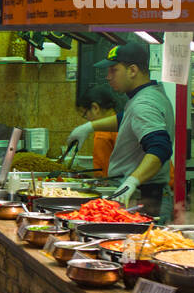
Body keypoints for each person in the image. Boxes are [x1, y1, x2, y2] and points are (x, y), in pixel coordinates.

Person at [66, 41, 173, 221]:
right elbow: (126, 120)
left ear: (132, 70)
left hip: (143, 196)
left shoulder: (143, 104)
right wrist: (89, 127)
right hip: (146, 193)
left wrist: (133, 181)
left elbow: (160, 148)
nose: (108, 76)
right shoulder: (149, 94)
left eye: (113, 70)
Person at [74, 84, 123, 176]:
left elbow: (101, 172)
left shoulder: (102, 133)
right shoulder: (121, 122)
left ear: (95, 108)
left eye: (85, 114)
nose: (87, 119)